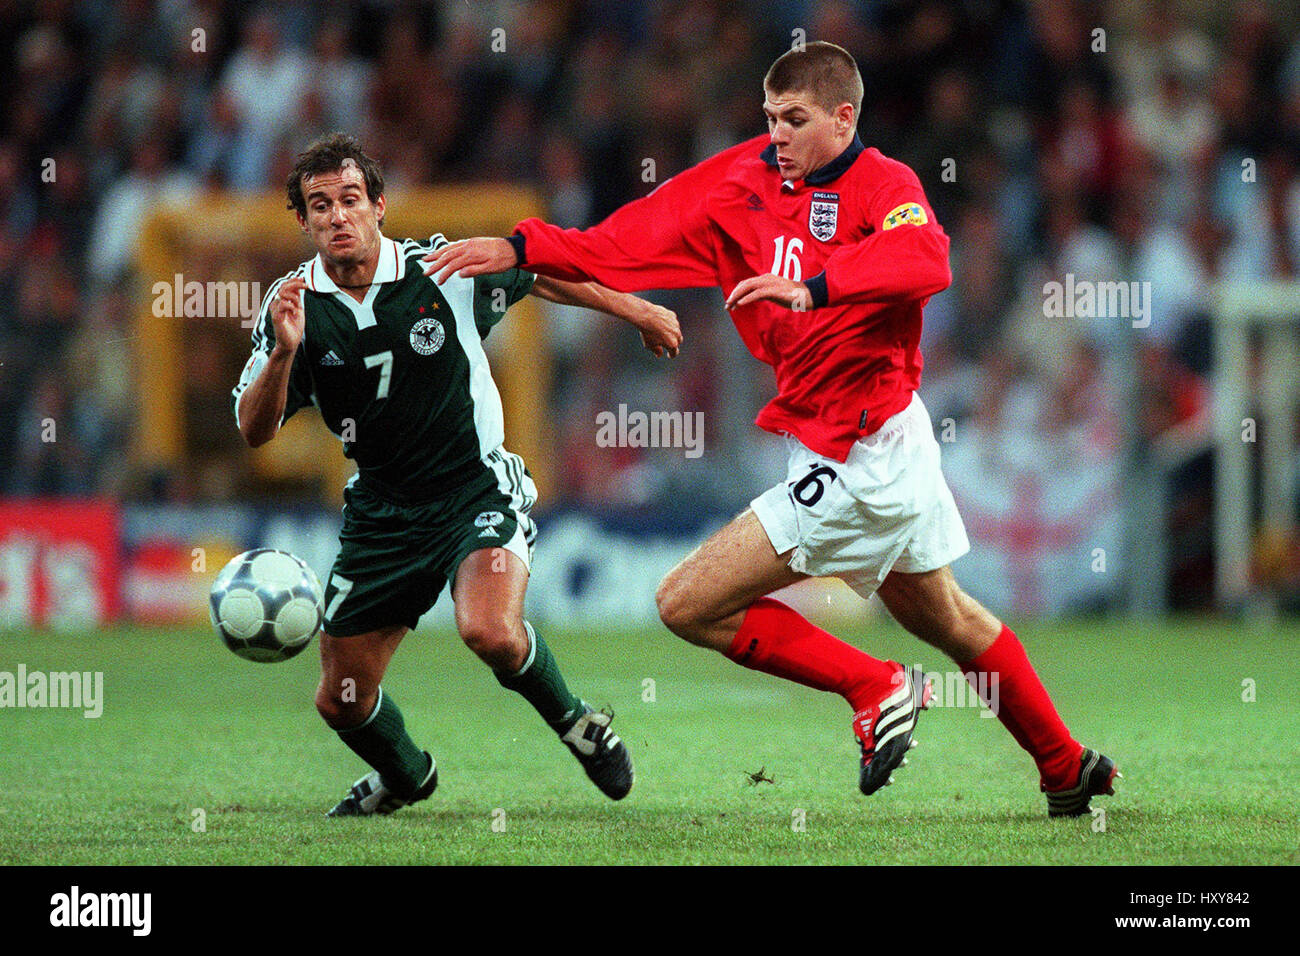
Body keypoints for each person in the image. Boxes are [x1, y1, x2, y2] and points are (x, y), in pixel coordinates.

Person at [424, 43, 1119, 817]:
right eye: (770, 118)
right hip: (862, 443)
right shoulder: (740, 181)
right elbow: (628, 239)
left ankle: (876, 684)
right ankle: (1064, 767)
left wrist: (815, 289)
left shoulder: (884, 185)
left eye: (795, 120)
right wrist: (522, 248)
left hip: (863, 452)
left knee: (686, 602)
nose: (777, 134)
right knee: (952, 618)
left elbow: (927, 258)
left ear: (842, 118)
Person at [234, 133, 682, 815]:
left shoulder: (440, 272)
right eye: (320, 205)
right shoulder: (292, 308)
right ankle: (407, 776)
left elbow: (541, 273)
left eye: (350, 199)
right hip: (382, 514)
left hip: (475, 493)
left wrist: (638, 309)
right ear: (303, 220)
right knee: (341, 699)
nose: (337, 216)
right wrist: (282, 358)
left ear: (379, 205)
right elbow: (255, 429)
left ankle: (579, 724)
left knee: (489, 631)